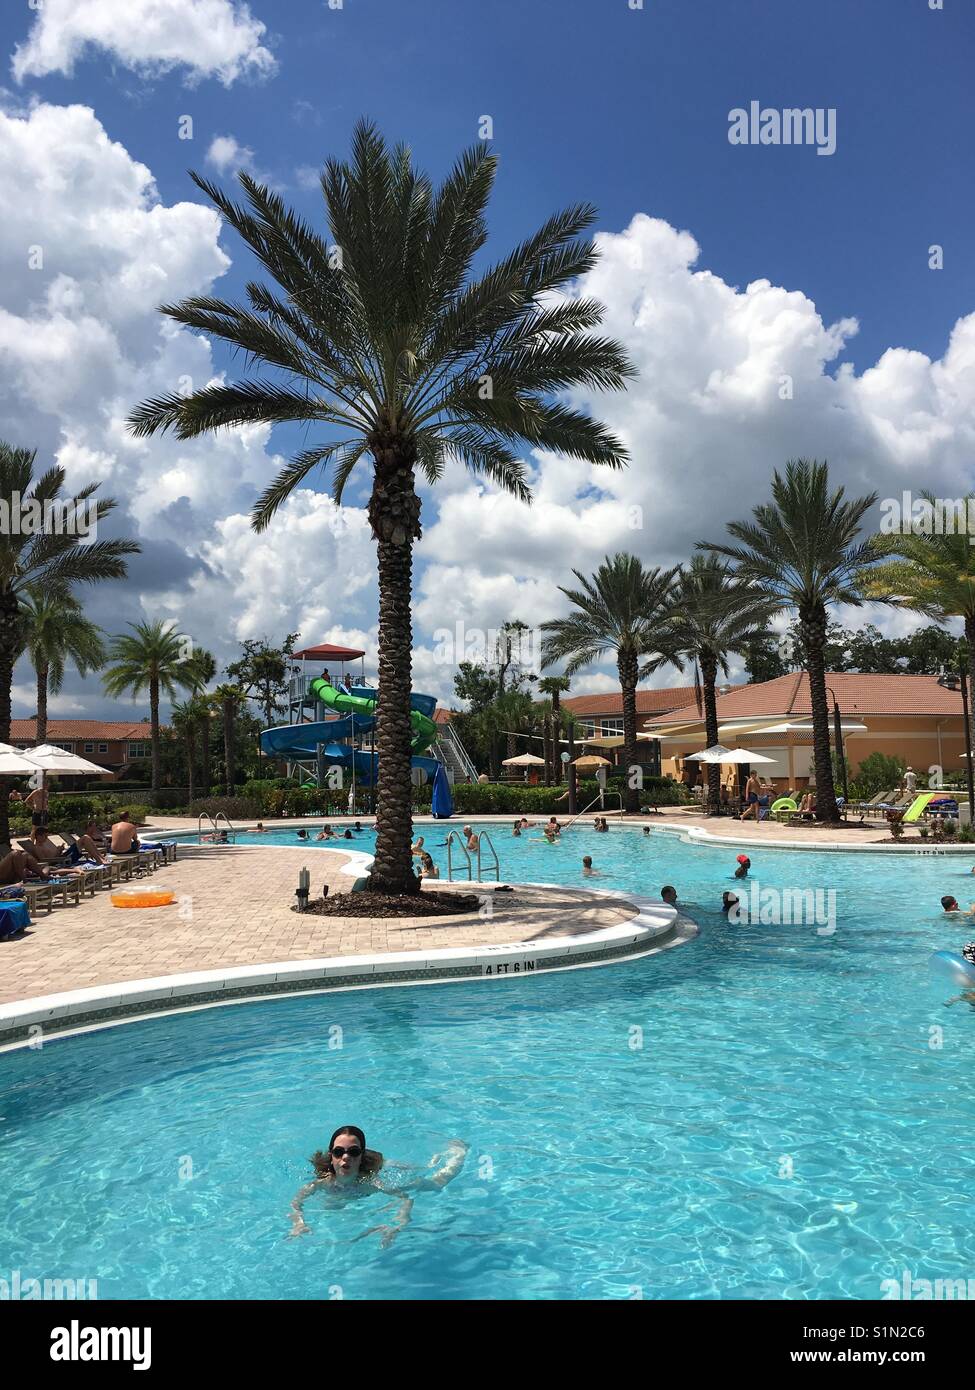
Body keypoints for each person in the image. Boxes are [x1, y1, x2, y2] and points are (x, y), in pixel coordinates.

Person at [289, 1125, 467, 1244]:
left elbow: (405, 1199)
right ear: (331, 1156)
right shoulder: (321, 1184)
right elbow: (296, 1203)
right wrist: (299, 1223)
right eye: (338, 1152)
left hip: (374, 1173)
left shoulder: (370, 1183)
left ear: (361, 1156)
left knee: (433, 1184)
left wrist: (398, 1224)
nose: (345, 1157)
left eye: (353, 1152)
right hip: (345, 1191)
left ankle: (457, 1153)